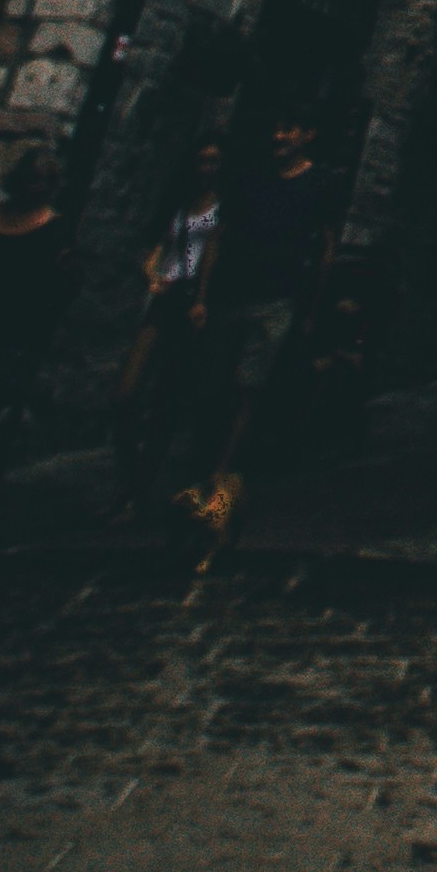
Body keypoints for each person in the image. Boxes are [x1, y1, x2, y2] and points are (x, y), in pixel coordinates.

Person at [168, 114, 328, 548]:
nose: (278, 135)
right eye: (274, 127)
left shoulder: (318, 185)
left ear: (307, 133)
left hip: (277, 298)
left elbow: (323, 247)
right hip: (232, 295)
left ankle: (222, 477)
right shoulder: (250, 180)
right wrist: (202, 294)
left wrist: (311, 308)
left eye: (289, 128)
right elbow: (219, 236)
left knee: (247, 387)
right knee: (213, 386)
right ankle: (204, 473)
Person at [112, 138, 226, 508]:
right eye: (201, 160)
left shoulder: (222, 208)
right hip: (167, 295)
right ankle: (130, 476)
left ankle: (138, 489)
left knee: (167, 396)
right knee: (125, 393)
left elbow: (212, 252)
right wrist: (151, 275)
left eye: (213, 162)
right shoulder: (179, 205)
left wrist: (204, 299)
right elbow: (157, 248)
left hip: (193, 298)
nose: (206, 168)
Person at [0, 142, 79, 490]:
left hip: (12, 340)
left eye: (42, 180)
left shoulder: (55, 231)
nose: (33, 186)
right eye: (29, 178)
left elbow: (60, 290)